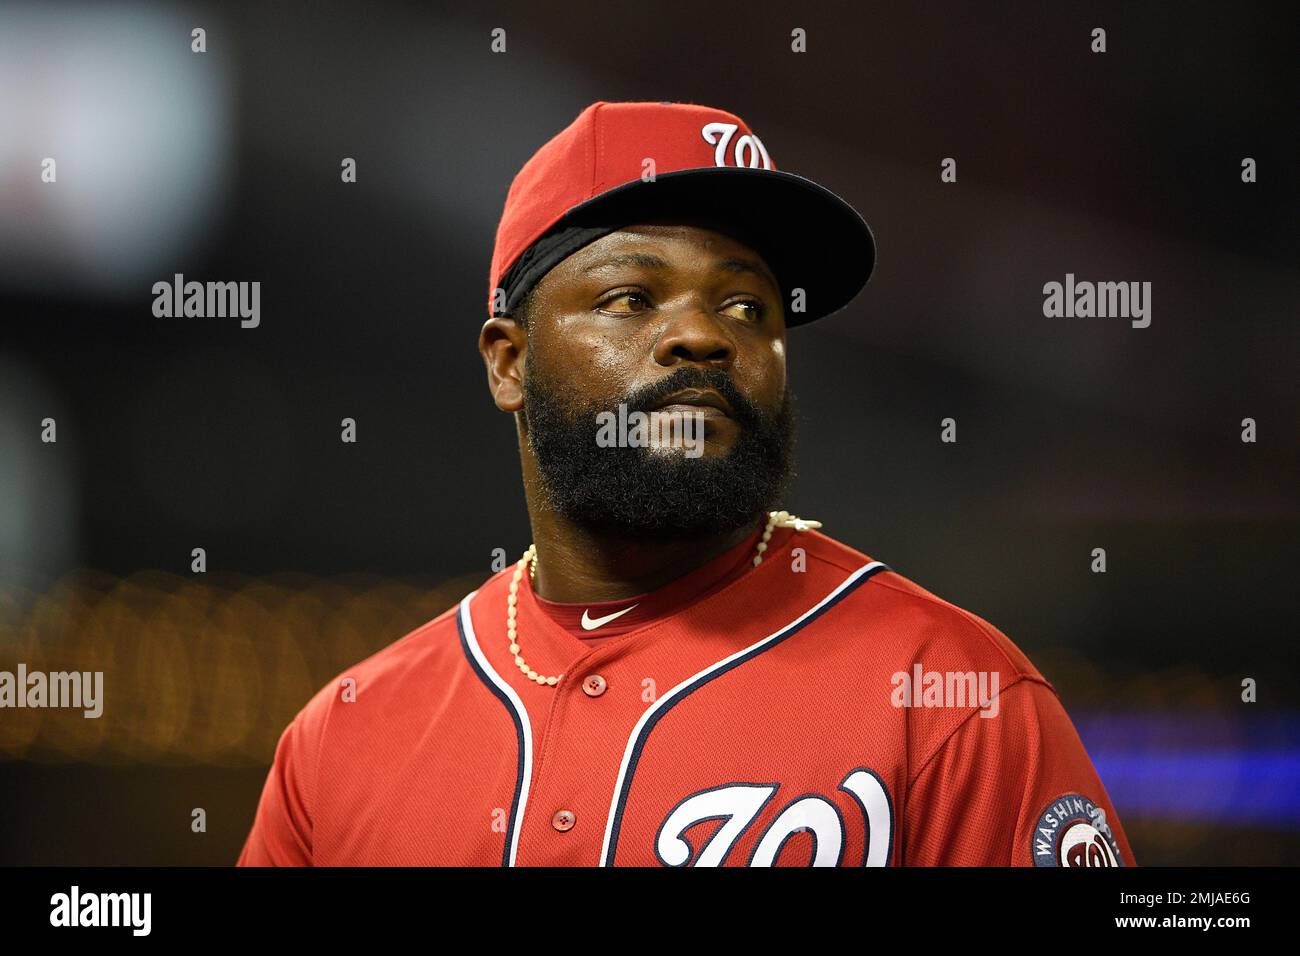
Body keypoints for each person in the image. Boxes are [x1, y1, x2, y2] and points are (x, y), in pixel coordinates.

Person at [238, 100, 1136, 867]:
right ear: (509, 362)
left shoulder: (953, 700)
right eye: (632, 297)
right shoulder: (344, 740)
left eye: (748, 305)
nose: (704, 337)